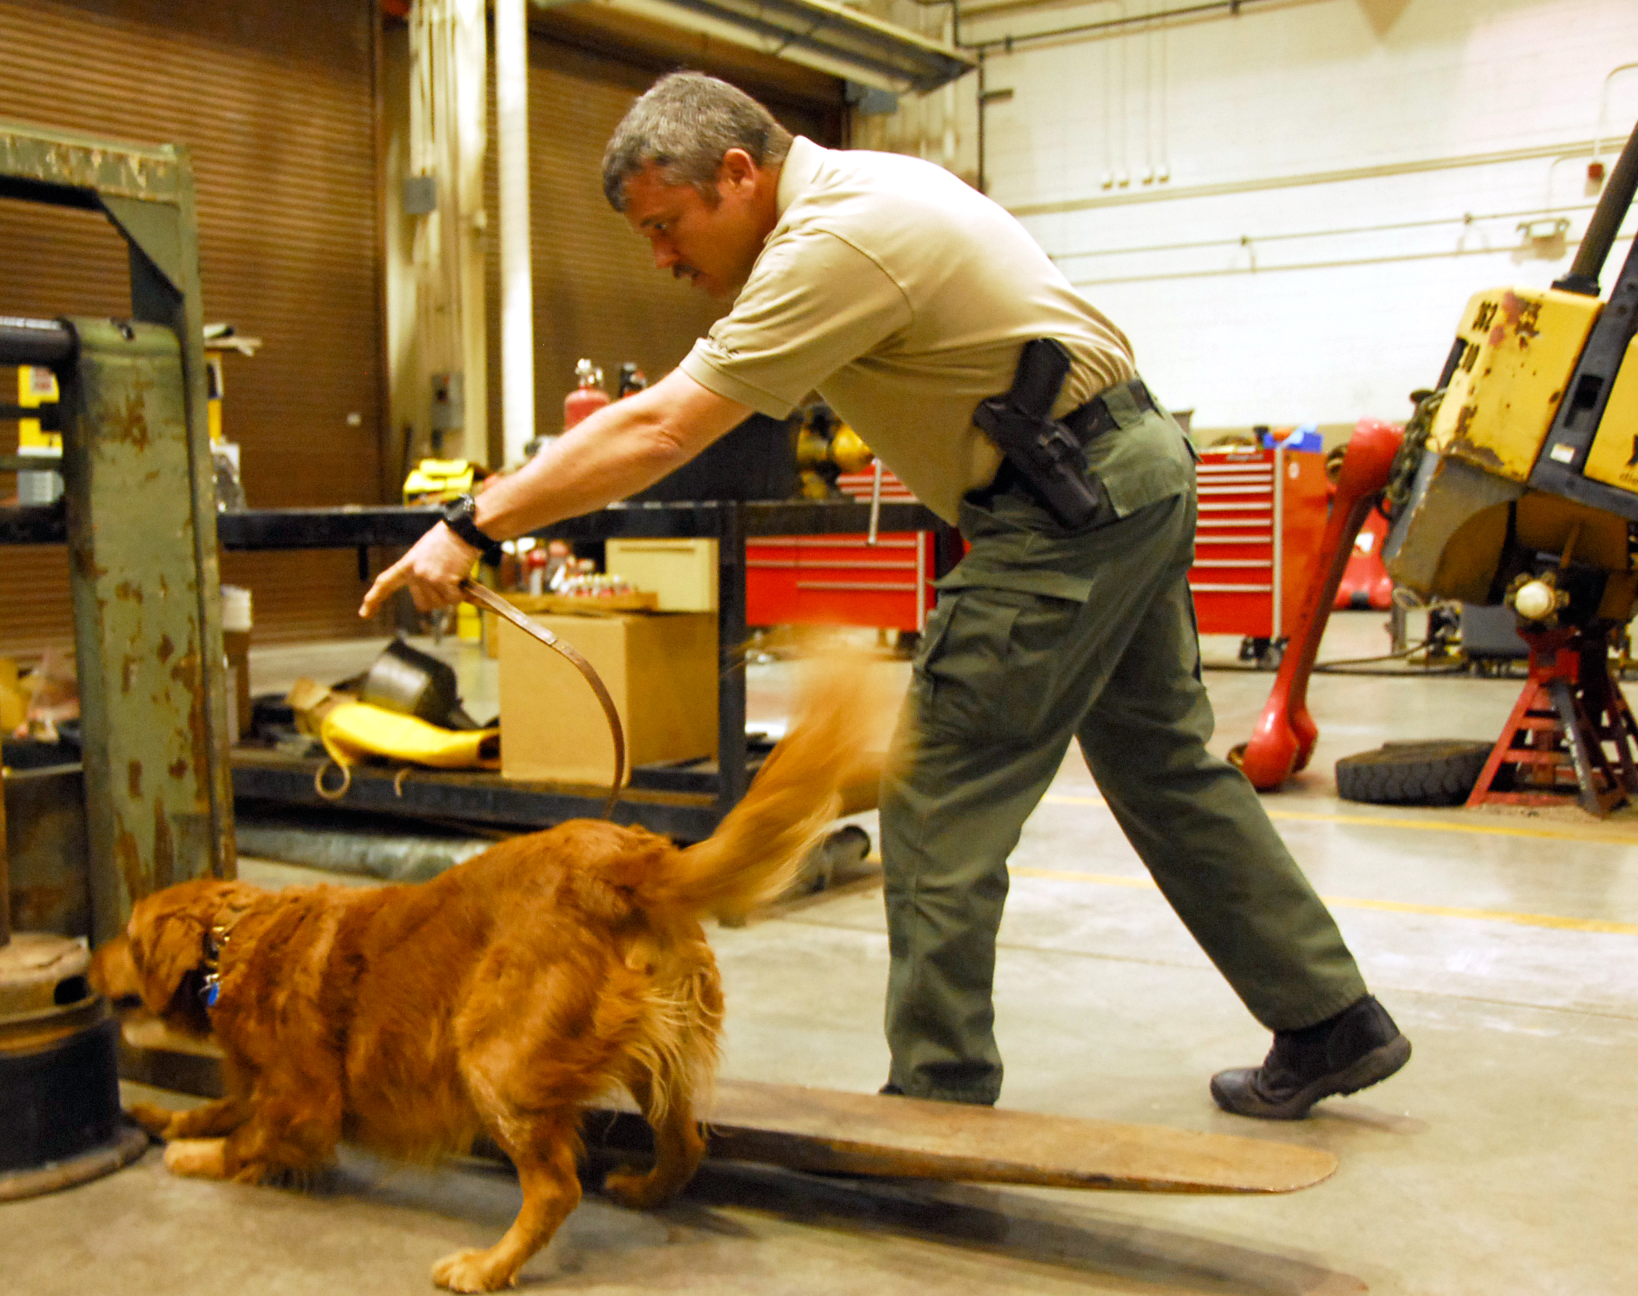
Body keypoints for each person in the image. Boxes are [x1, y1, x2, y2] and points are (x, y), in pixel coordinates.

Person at [361, 71, 1411, 1120]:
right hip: (1115, 475)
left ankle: (937, 1100)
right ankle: (1329, 1018)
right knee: (1165, 768)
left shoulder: (831, 244)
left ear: (738, 173)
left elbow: (659, 430)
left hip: (1062, 505)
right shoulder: (863, 191)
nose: (664, 257)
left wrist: (471, 524)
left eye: (668, 226)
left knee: (941, 797)